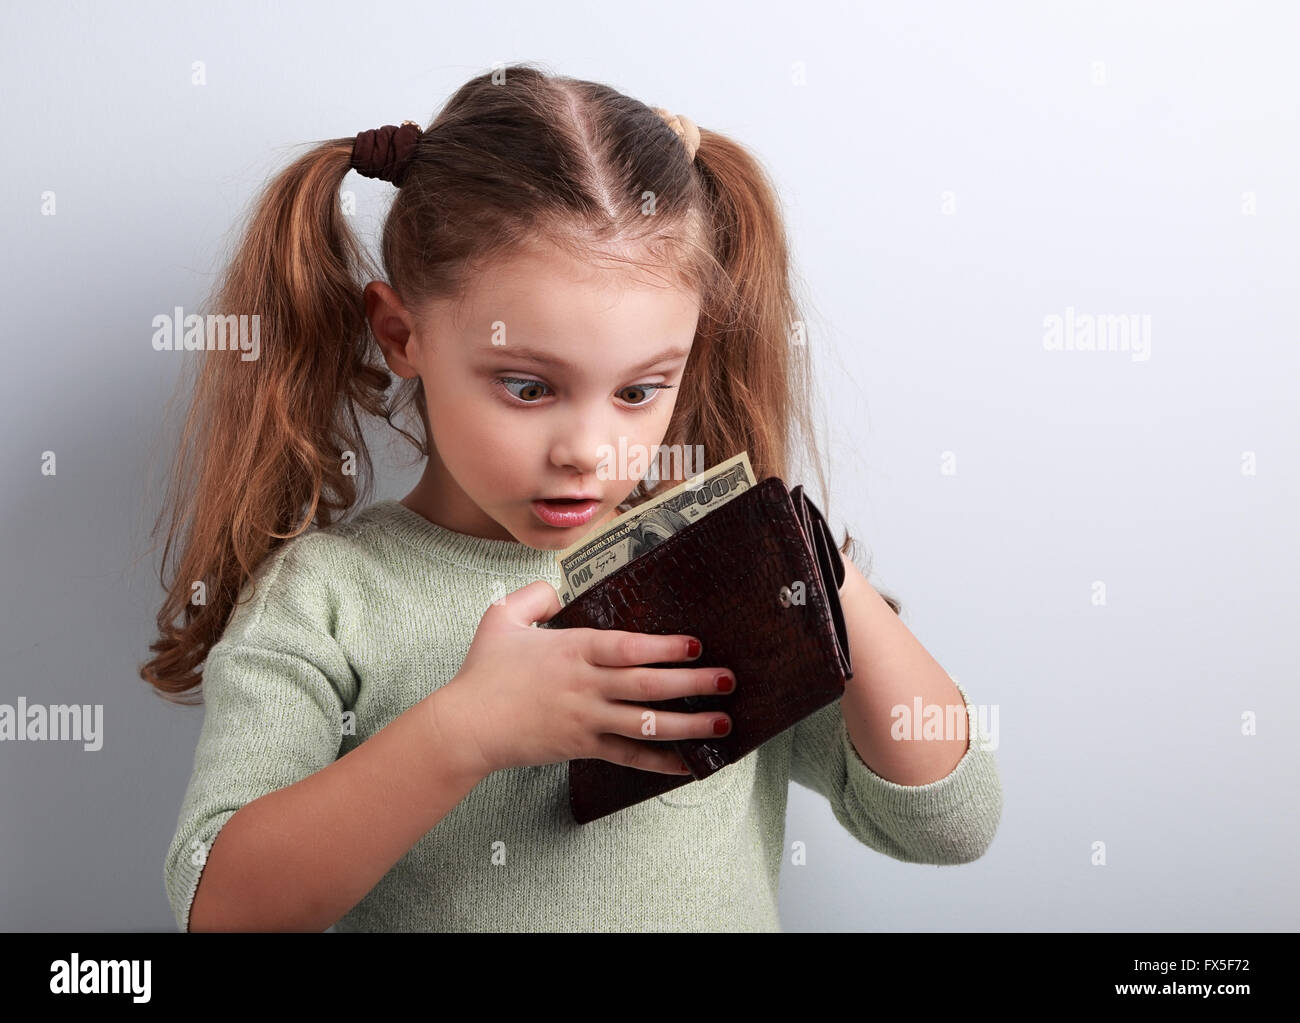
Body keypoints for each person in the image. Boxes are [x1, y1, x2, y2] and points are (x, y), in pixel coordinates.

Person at [142, 62, 1002, 933]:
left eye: (638, 391)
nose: (589, 452)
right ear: (402, 335)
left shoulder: (717, 568)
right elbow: (224, 913)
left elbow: (950, 820)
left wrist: (808, 562)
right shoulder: (328, 599)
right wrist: (463, 732)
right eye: (527, 386)